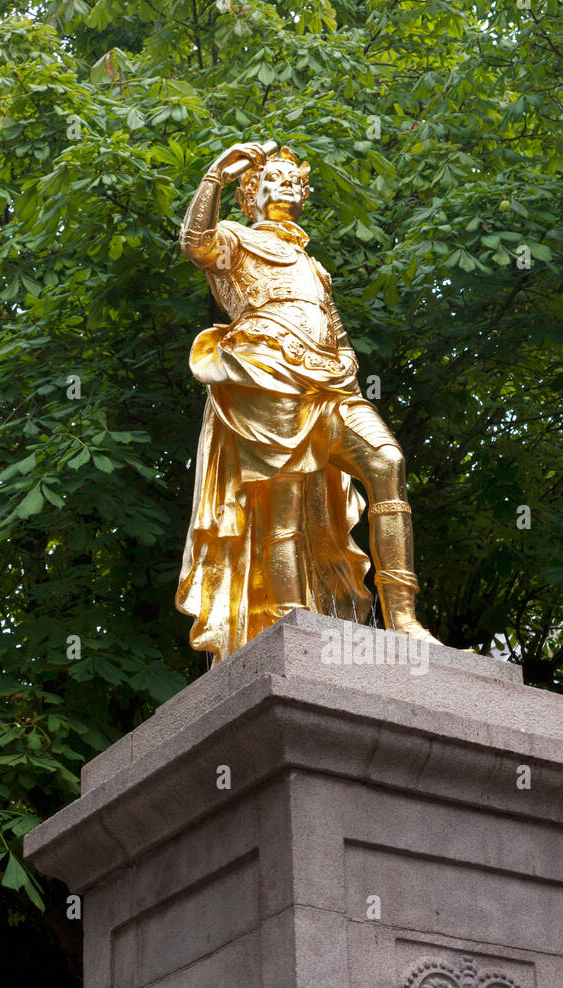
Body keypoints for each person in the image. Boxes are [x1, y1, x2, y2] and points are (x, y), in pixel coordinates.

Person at [176, 140, 440, 660]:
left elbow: (335, 329)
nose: (289, 186)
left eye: (295, 181)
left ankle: (404, 620)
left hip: (328, 384)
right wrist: (216, 175)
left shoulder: (314, 267)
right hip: (265, 376)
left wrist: (346, 363)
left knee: (388, 462)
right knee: (285, 509)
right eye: (274, 179)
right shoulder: (237, 238)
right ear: (249, 196)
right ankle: (292, 622)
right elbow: (194, 241)